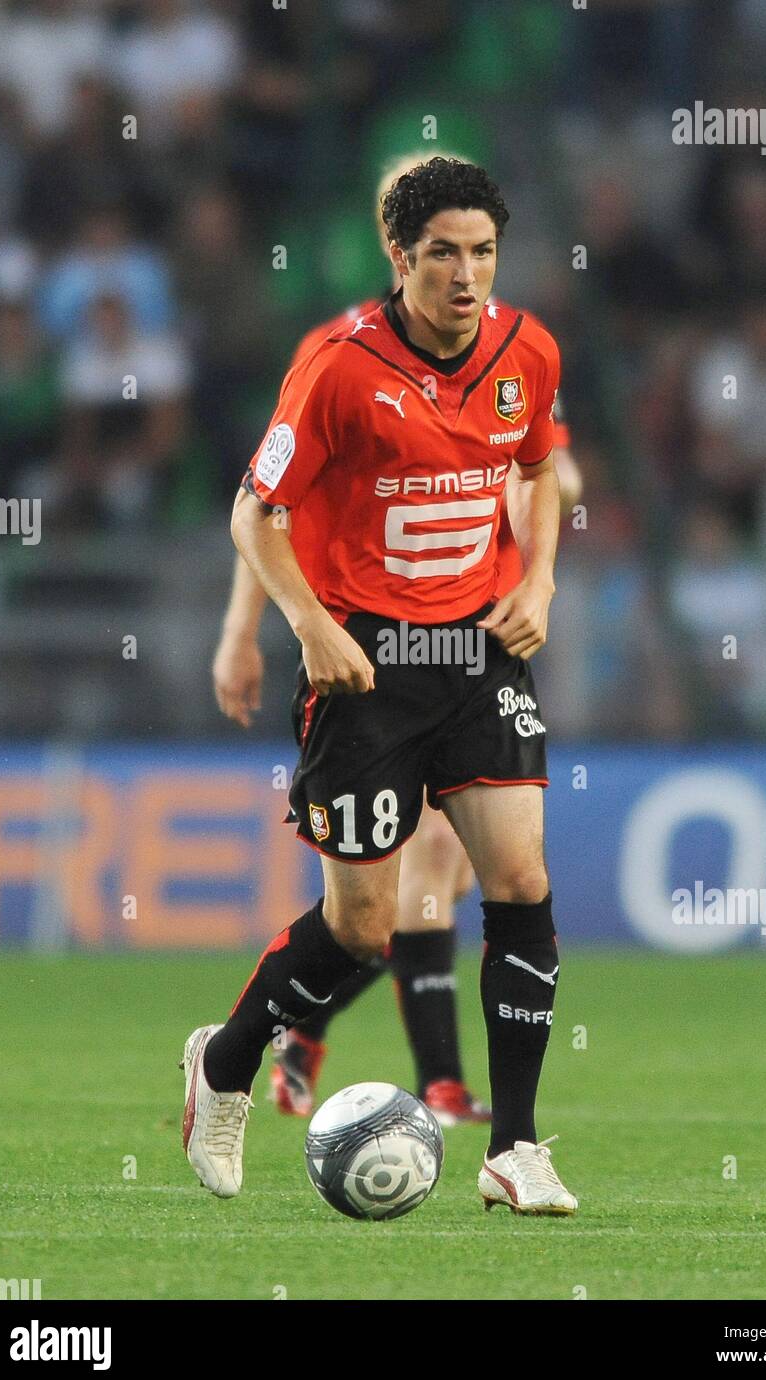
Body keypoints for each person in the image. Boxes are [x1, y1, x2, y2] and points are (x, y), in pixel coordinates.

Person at [184, 157, 577, 1215]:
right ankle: (222, 1065)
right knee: (362, 924)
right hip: (364, 663)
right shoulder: (338, 367)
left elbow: (539, 473)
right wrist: (305, 624)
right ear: (399, 257)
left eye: (482, 251)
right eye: (443, 252)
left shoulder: (525, 350)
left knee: (521, 881)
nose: (466, 274)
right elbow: (251, 513)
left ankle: (518, 1144)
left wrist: (537, 574)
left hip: (478, 653)